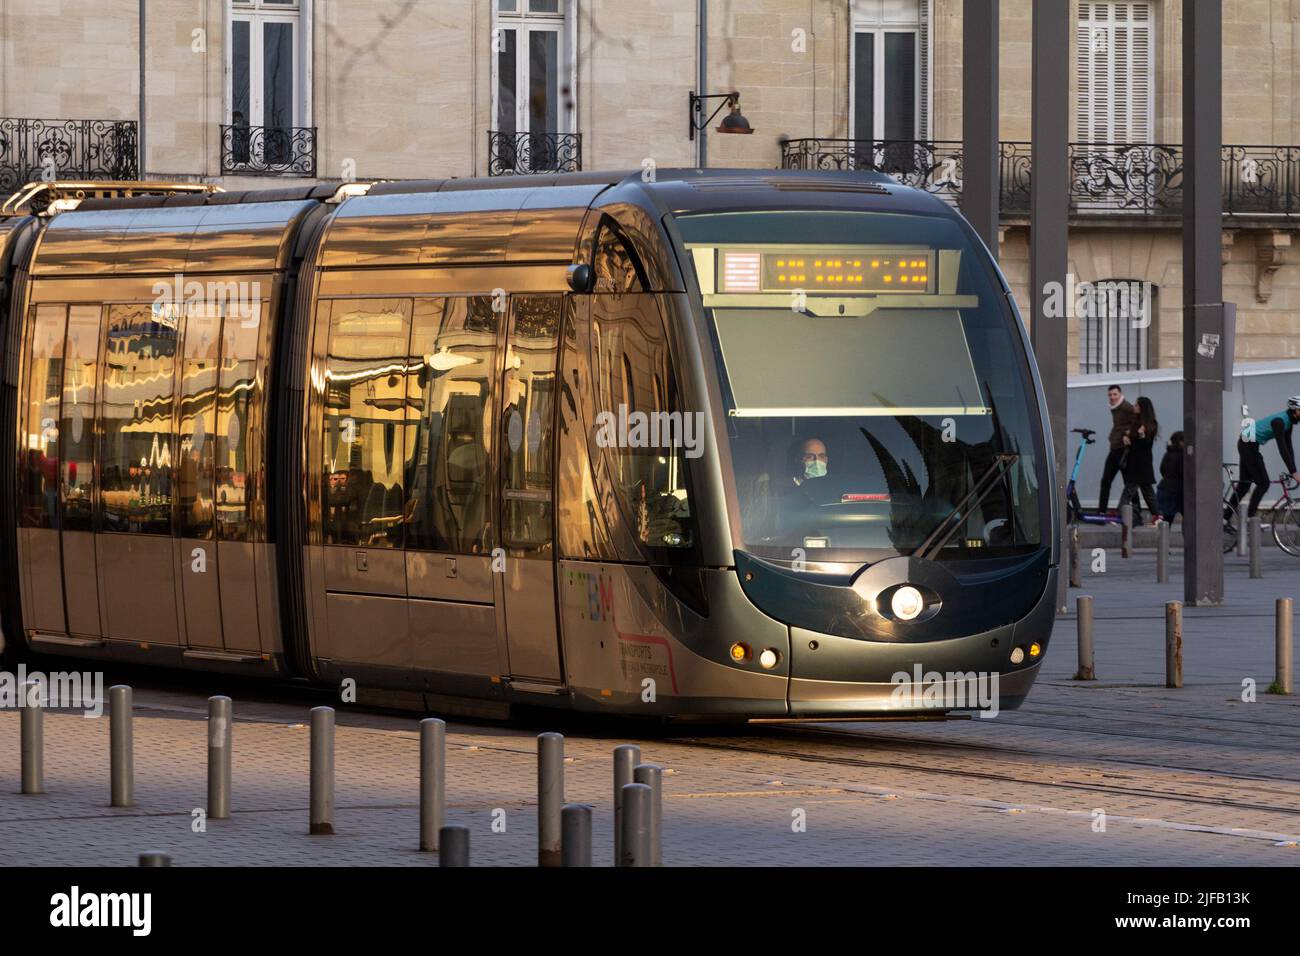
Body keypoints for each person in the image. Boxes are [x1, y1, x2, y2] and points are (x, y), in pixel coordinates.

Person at [1228, 396, 1300, 520]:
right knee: (1263, 483)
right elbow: (1282, 449)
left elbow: (1289, 448)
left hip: (1249, 443)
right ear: (1295, 410)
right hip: (1247, 443)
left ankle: (1225, 518)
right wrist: (1293, 472)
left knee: (1244, 486)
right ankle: (1251, 519)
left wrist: (1293, 471)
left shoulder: (1288, 423)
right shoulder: (1279, 422)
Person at [1097, 384, 1138, 515]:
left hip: (1123, 451)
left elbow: (1137, 423)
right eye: (1110, 395)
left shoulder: (1126, 407)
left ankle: (1136, 510)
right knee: (1106, 481)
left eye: (1115, 394)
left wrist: (1127, 434)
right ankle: (1101, 511)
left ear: (1120, 394)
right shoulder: (1114, 408)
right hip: (1114, 449)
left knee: (1128, 482)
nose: (1112, 397)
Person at [1119, 396, 1159, 525]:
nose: (1134, 407)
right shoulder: (1135, 423)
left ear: (1142, 408)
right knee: (1147, 491)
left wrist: (1141, 435)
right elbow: (1134, 445)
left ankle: (1122, 514)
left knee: (1130, 491)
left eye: (1136, 405)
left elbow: (1146, 446)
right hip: (1134, 462)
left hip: (1142, 464)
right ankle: (1158, 515)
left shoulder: (1150, 424)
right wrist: (1127, 440)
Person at [1156, 431, 1185, 524]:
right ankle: (1190, 538)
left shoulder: (1168, 453)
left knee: (1167, 520)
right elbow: (1183, 472)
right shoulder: (1182, 455)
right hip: (1176, 491)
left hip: (1164, 488)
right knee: (1190, 518)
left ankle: (1164, 538)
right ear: (1180, 442)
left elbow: (1162, 469)